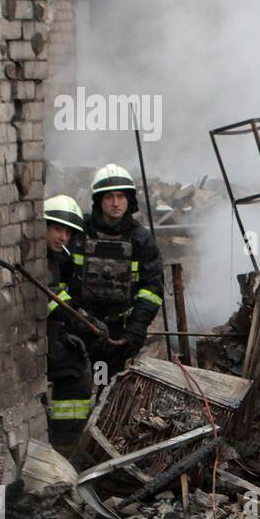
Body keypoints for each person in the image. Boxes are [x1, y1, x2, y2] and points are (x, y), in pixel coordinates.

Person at [76, 164, 164, 383]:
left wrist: (137, 327)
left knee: (105, 384)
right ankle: (78, 418)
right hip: (80, 324)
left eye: (120, 197)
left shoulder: (141, 241)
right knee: (77, 385)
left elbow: (152, 288)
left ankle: (100, 416)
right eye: (109, 197)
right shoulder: (79, 233)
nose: (115, 203)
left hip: (117, 330)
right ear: (99, 200)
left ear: (129, 200)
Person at [43, 195, 96, 449]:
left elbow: (59, 298)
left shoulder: (53, 261)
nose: (63, 237)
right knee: (75, 367)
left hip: (49, 337)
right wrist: (83, 322)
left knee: (77, 361)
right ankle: (63, 441)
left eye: (67, 232)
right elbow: (52, 303)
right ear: (44, 227)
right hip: (33, 347)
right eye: (57, 229)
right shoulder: (38, 261)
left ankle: (67, 438)